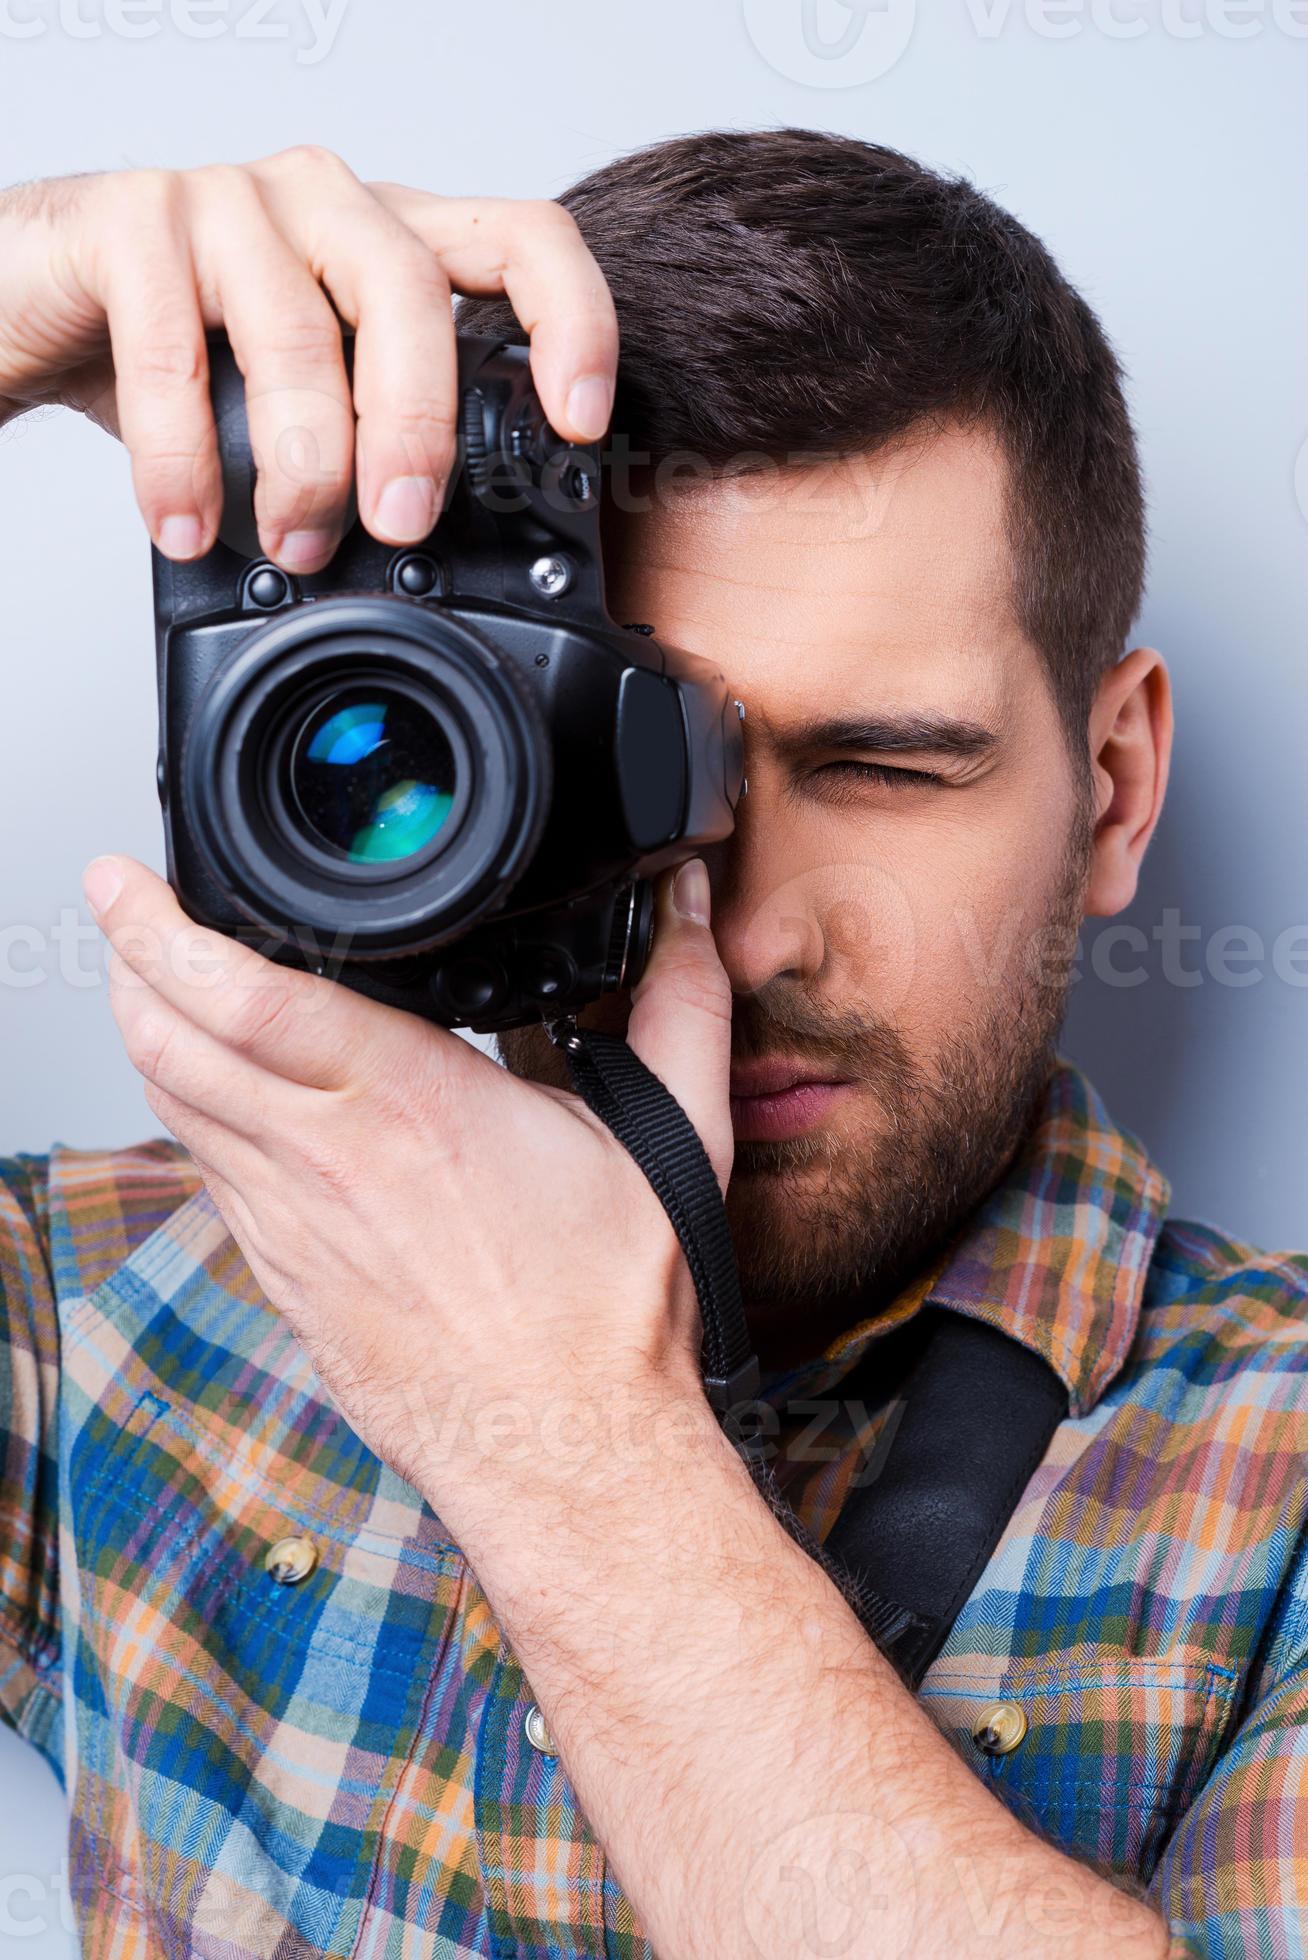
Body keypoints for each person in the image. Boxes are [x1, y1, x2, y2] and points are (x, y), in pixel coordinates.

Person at [0, 130, 1302, 1960]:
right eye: (621, 761)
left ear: (1114, 788)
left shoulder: (1282, 1478)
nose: (751, 927)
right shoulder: (115, 1298)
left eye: (886, 771)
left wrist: (572, 1443)